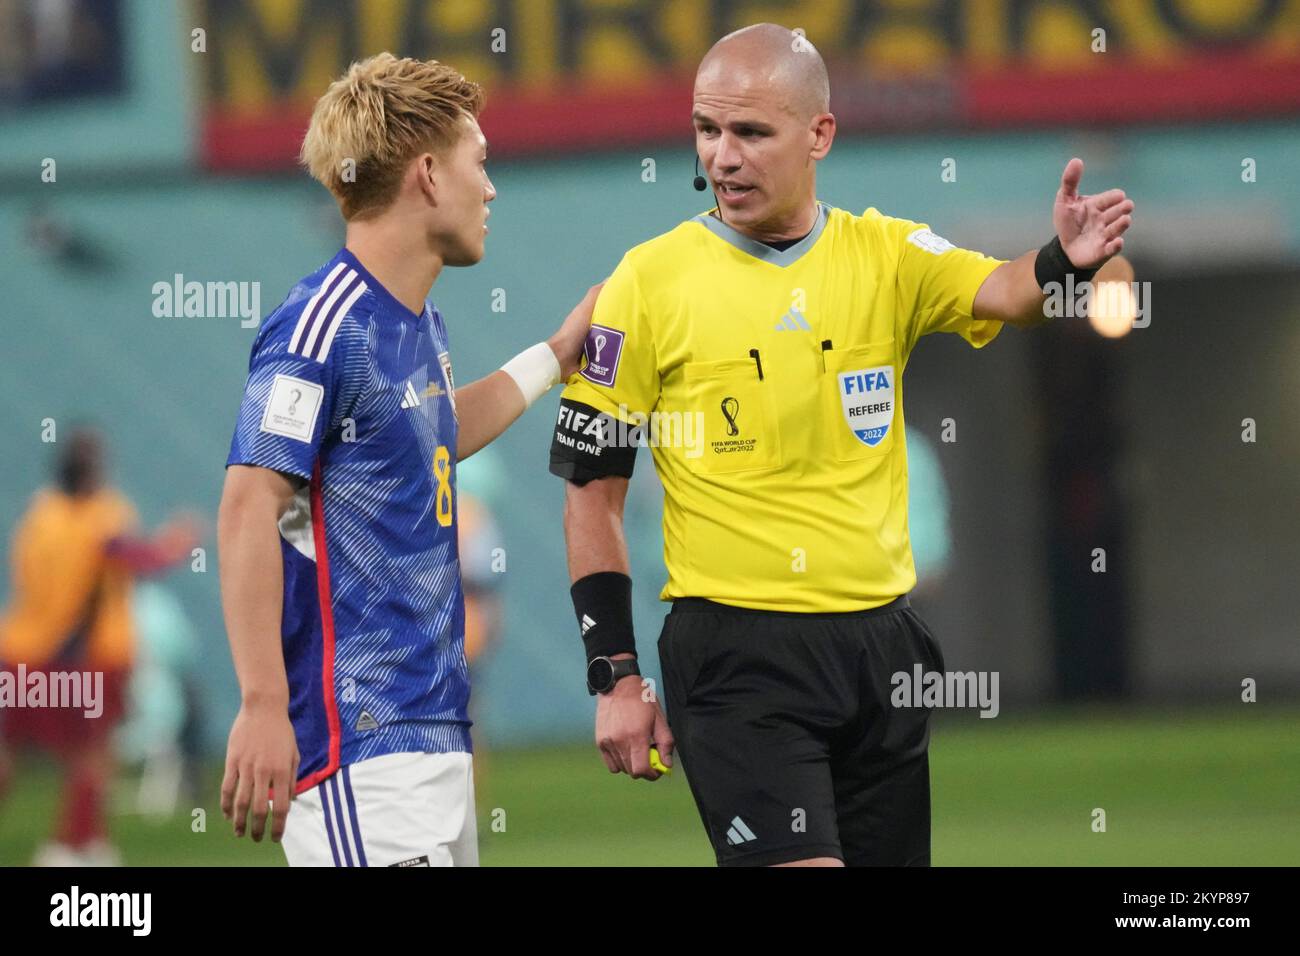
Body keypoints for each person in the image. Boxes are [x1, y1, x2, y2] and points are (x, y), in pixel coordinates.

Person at [548, 23, 1135, 867]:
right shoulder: (645, 282)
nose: (723, 156)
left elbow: (1002, 289)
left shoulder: (887, 253)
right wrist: (615, 673)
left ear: (820, 133)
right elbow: (591, 491)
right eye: (707, 130)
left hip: (880, 653)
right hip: (736, 655)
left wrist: (1062, 261)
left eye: (751, 132)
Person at [218, 53, 598, 866]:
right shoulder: (320, 326)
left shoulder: (417, 323)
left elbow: (433, 433)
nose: (491, 189)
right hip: (361, 749)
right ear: (428, 174)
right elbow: (249, 504)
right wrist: (260, 705)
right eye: (480, 163)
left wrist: (555, 357)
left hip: (433, 733)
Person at [0, 427, 198, 865]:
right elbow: (139, 558)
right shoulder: (104, 516)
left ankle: (88, 843)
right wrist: (177, 543)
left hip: (18, 653)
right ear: (94, 472)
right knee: (90, 756)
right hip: (81, 660)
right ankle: (71, 846)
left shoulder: (40, 514)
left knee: (8, 752)